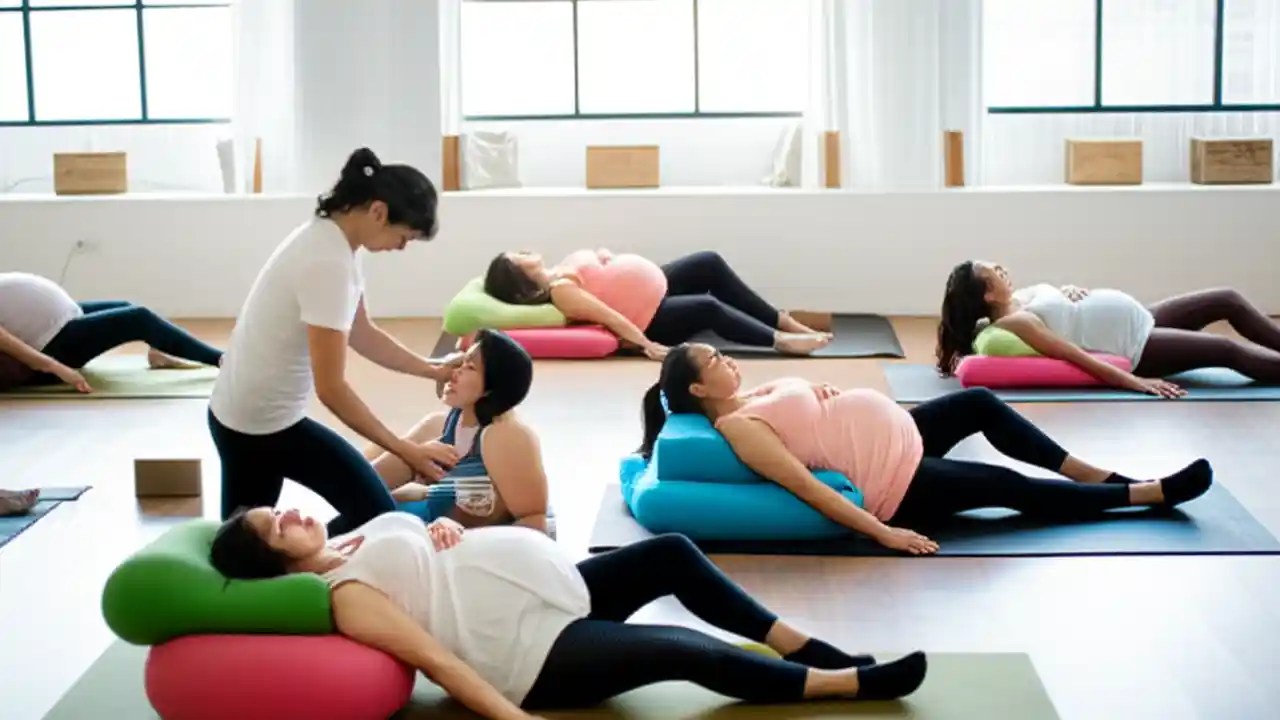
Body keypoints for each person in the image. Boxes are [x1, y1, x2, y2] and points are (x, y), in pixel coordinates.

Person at [209, 507, 929, 719]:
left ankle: (806, 646)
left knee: (670, 551)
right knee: (679, 646)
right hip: (531, 654)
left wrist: (437, 530)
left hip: (555, 594)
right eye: (279, 528)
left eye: (280, 509)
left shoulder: (349, 538)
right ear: (277, 564)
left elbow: (423, 541)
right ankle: (845, 685)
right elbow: (438, 660)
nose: (293, 514)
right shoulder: (349, 597)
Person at [640, 343, 1215, 555]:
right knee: (1004, 489)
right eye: (714, 362)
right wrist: (882, 531)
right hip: (895, 481)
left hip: (903, 436)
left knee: (979, 402)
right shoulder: (740, 431)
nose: (726, 359)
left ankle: (1092, 473)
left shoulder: (748, 395)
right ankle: (1143, 493)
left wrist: (818, 393)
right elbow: (805, 484)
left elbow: (805, 409)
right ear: (697, 389)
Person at [208, 147, 462, 536]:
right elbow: (332, 389)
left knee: (248, 547)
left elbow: (362, 333)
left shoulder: (336, 242)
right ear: (378, 211)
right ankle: (310, 564)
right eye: (403, 236)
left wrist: (432, 369)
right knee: (374, 512)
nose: (401, 247)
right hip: (260, 427)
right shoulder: (327, 263)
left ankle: (292, 566)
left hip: (248, 414)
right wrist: (405, 449)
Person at [936, 260, 1280, 398]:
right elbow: (1072, 355)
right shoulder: (1015, 322)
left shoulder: (1019, 298)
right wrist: (1136, 382)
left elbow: (1060, 304)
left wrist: (1067, 291)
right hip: (1136, 346)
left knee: (1227, 298)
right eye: (993, 270)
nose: (1001, 266)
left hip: (1142, 318)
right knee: (1226, 350)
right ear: (988, 293)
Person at [482, 249, 832, 360]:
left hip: (656, 287)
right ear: (519, 277)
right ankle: (780, 341)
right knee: (708, 306)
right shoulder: (560, 290)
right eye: (518, 257)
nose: (525, 250)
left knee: (708, 262)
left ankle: (782, 320)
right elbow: (608, 314)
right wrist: (648, 345)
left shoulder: (561, 267)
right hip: (650, 316)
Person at [370, 328, 550, 534]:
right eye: (460, 362)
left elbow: (535, 521)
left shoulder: (504, 436)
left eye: (470, 366)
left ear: (492, 387)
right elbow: (364, 483)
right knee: (360, 498)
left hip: (472, 548)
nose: (453, 372)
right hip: (432, 529)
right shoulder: (443, 425)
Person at [0, 272, 224, 393]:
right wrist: (57, 367)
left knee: (125, 306)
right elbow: (5, 340)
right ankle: (221, 360)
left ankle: (159, 353)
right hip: (54, 344)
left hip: (60, 321)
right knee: (138, 317)